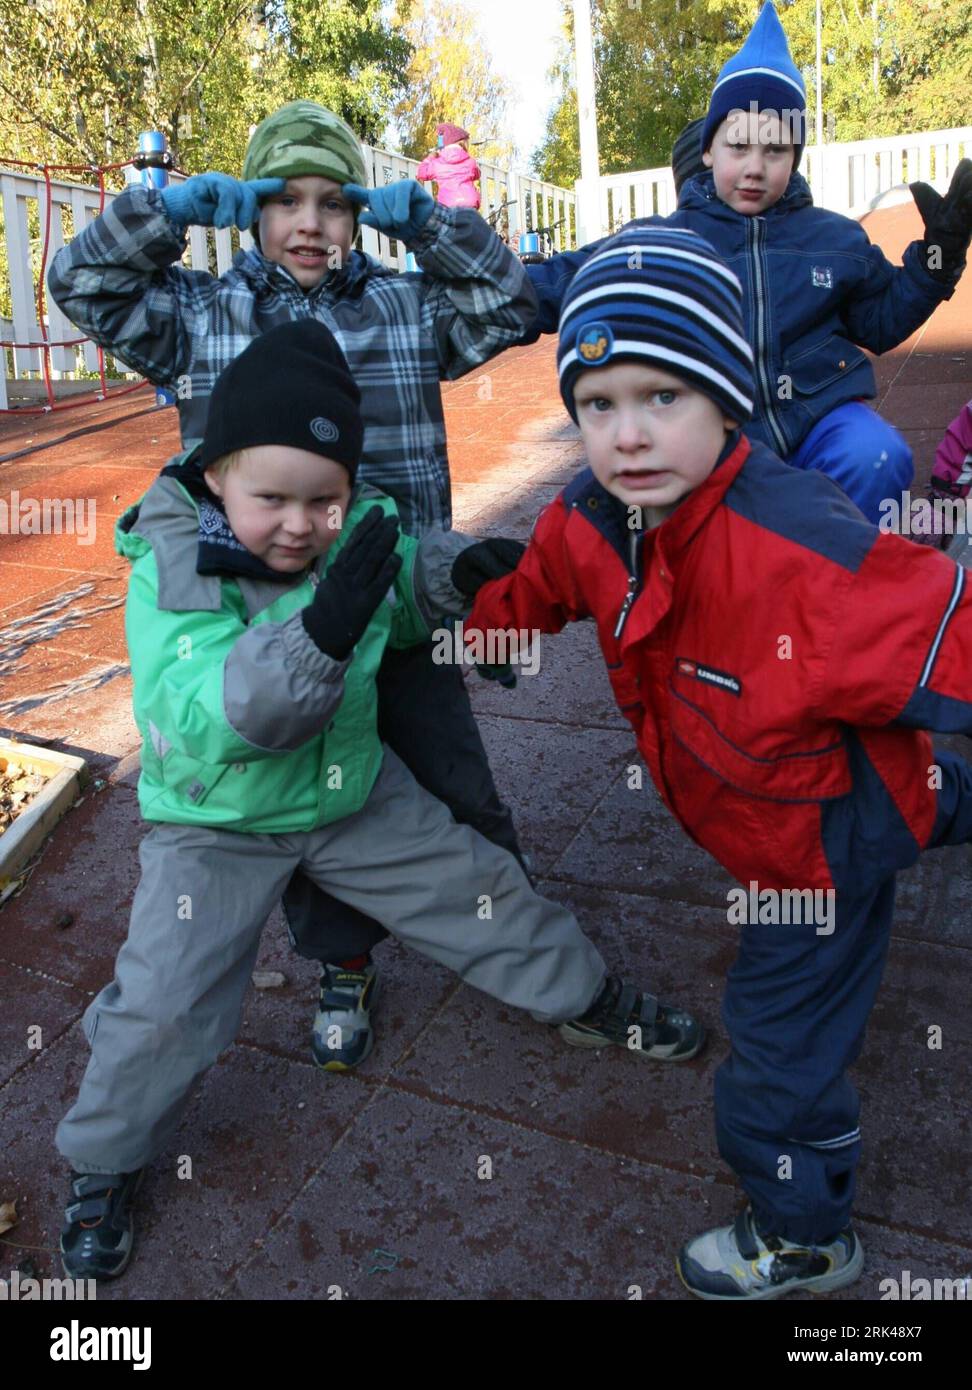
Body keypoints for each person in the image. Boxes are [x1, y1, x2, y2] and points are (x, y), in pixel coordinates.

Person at [56, 320, 704, 1282]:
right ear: (216, 478)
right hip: (216, 818)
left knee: (479, 890)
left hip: (345, 788)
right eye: (270, 498)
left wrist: (450, 575)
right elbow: (197, 708)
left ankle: (585, 993)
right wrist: (317, 631)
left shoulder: (351, 531)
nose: (298, 524)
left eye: (325, 499)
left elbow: (393, 585)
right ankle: (102, 1164)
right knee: (164, 1000)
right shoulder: (174, 564)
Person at [458, 221, 972, 1299]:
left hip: (816, 851)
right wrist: (468, 618)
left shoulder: (795, 544)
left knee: (776, 1055)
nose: (628, 434)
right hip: (766, 797)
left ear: (727, 399)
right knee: (937, 791)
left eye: (663, 398)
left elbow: (942, 627)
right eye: (598, 407)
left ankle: (804, 1237)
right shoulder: (591, 521)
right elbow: (536, 592)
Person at [48, 100, 538, 1071]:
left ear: (359, 213)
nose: (308, 223)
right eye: (281, 201)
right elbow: (84, 286)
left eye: (333, 201)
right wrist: (172, 206)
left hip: (401, 605)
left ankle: (512, 935)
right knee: (313, 802)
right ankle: (343, 960)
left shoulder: (400, 307)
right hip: (281, 628)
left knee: (457, 783)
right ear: (251, 209)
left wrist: (429, 221)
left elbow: (509, 305)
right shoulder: (201, 315)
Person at [518, 2, 972, 526]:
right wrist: (493, 289)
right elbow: (572, 277)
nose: (755, 167)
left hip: (816, 420)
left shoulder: (834, 238)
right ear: (709, 148)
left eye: (776, 150)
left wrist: (940, 256)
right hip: (716, 435)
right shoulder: (670, 240)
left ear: (795, 156)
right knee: (658, 506)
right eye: (738, 145)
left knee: (876, 453)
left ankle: (839, 586)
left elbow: (883, 320)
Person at [416, 121, 482, 211]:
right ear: (463, 144)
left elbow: (422, 173)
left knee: (447, 223)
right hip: (469, 204)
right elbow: (477, 174)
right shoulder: (470, 161)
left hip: (447, 205)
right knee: (472, 223)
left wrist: (430, 158)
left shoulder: (437, 163)